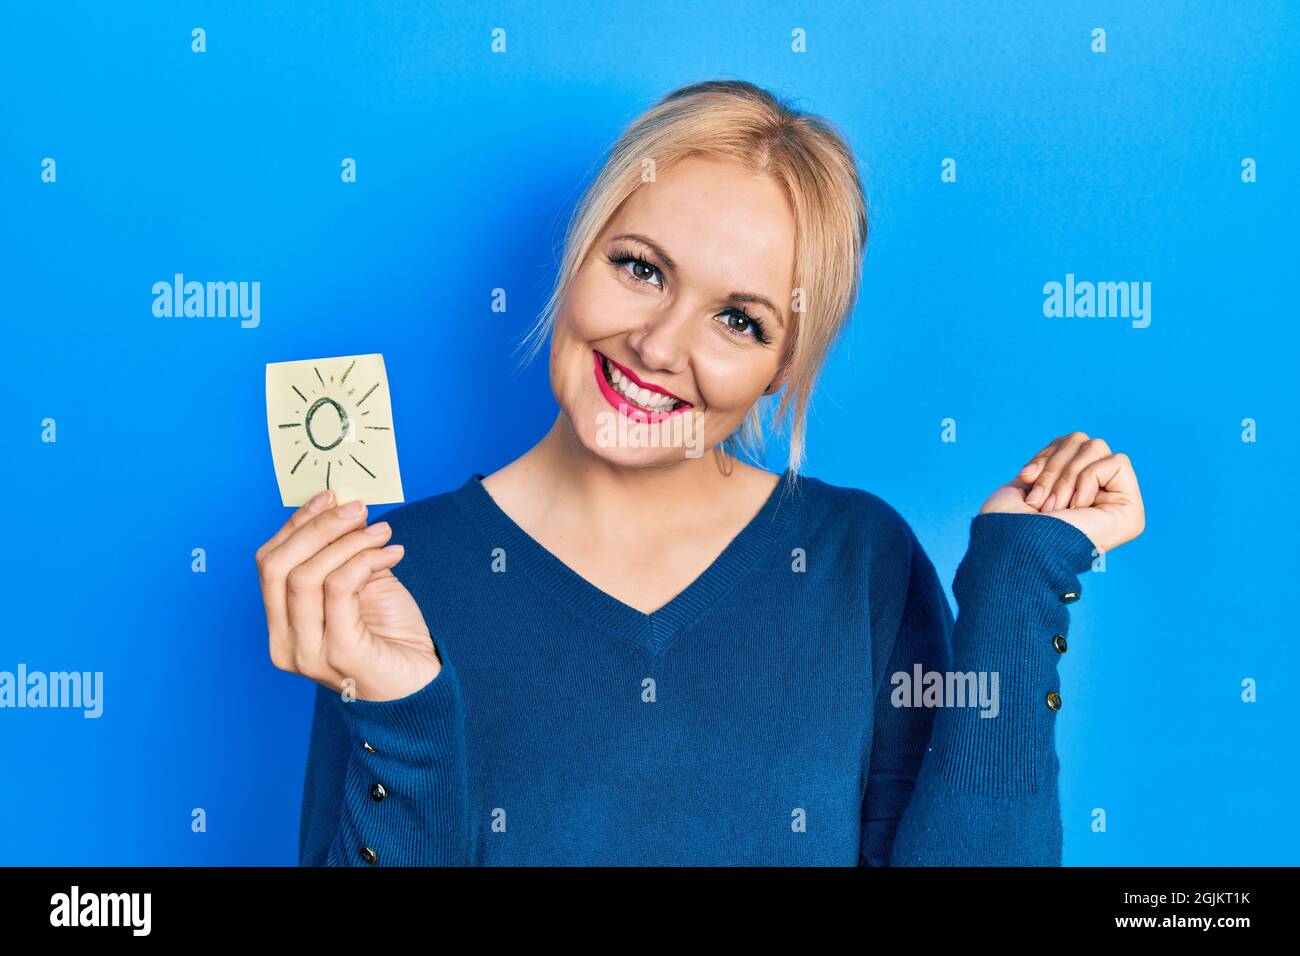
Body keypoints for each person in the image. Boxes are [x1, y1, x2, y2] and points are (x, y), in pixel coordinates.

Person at [256, 79, 1145, 866]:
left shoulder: (860, 563)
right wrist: (399, 715)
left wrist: (1014, 589)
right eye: (641, 269)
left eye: (739, 321)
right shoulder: (386, 573)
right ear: (579, 254)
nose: (657, 346)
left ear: (784, 369)